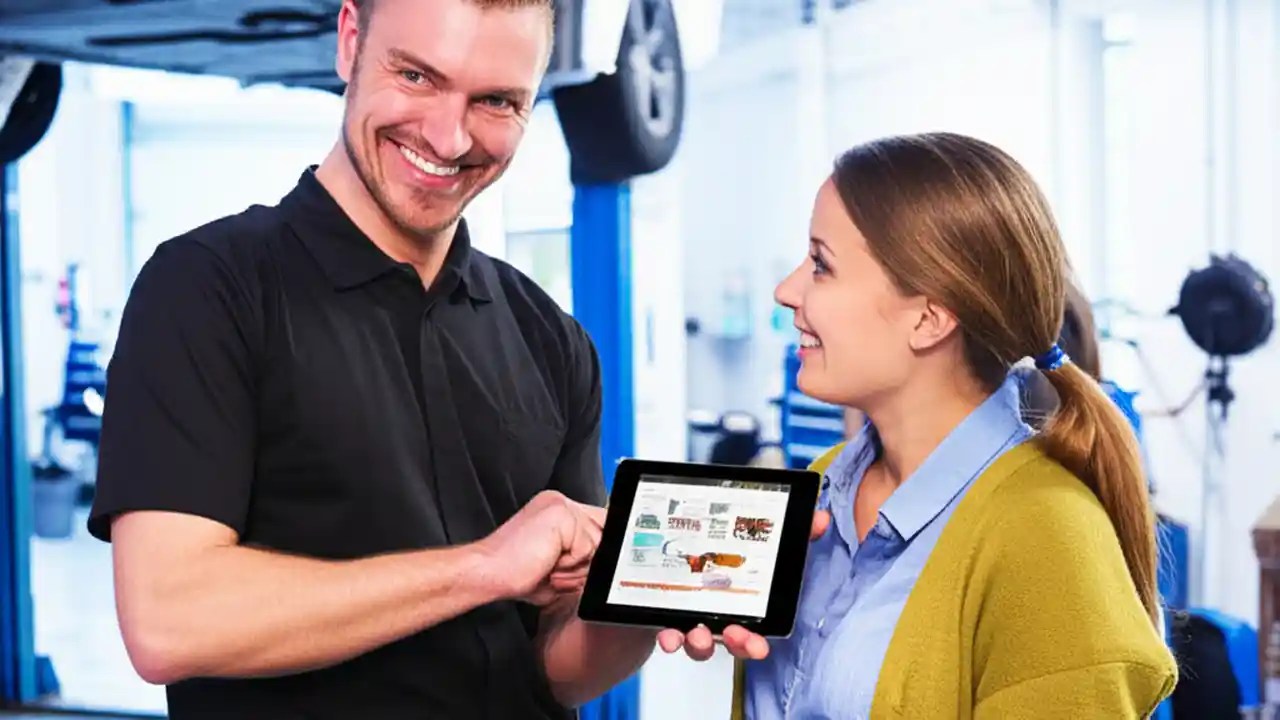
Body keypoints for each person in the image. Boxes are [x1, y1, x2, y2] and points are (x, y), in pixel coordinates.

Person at [87, 0, 681, 716]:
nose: (449, 136)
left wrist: (649, 598)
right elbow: (168, 621)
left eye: (496, 101)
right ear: (349, 42)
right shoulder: (209, 290)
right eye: (417, 77)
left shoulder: (550, 337)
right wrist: (483, 569)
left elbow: (556, 668)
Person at [730, 132, 1177, 718]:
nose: (786, 291)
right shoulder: (823, 485)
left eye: (821, 265)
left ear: (930, 318)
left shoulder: (1049, 542)